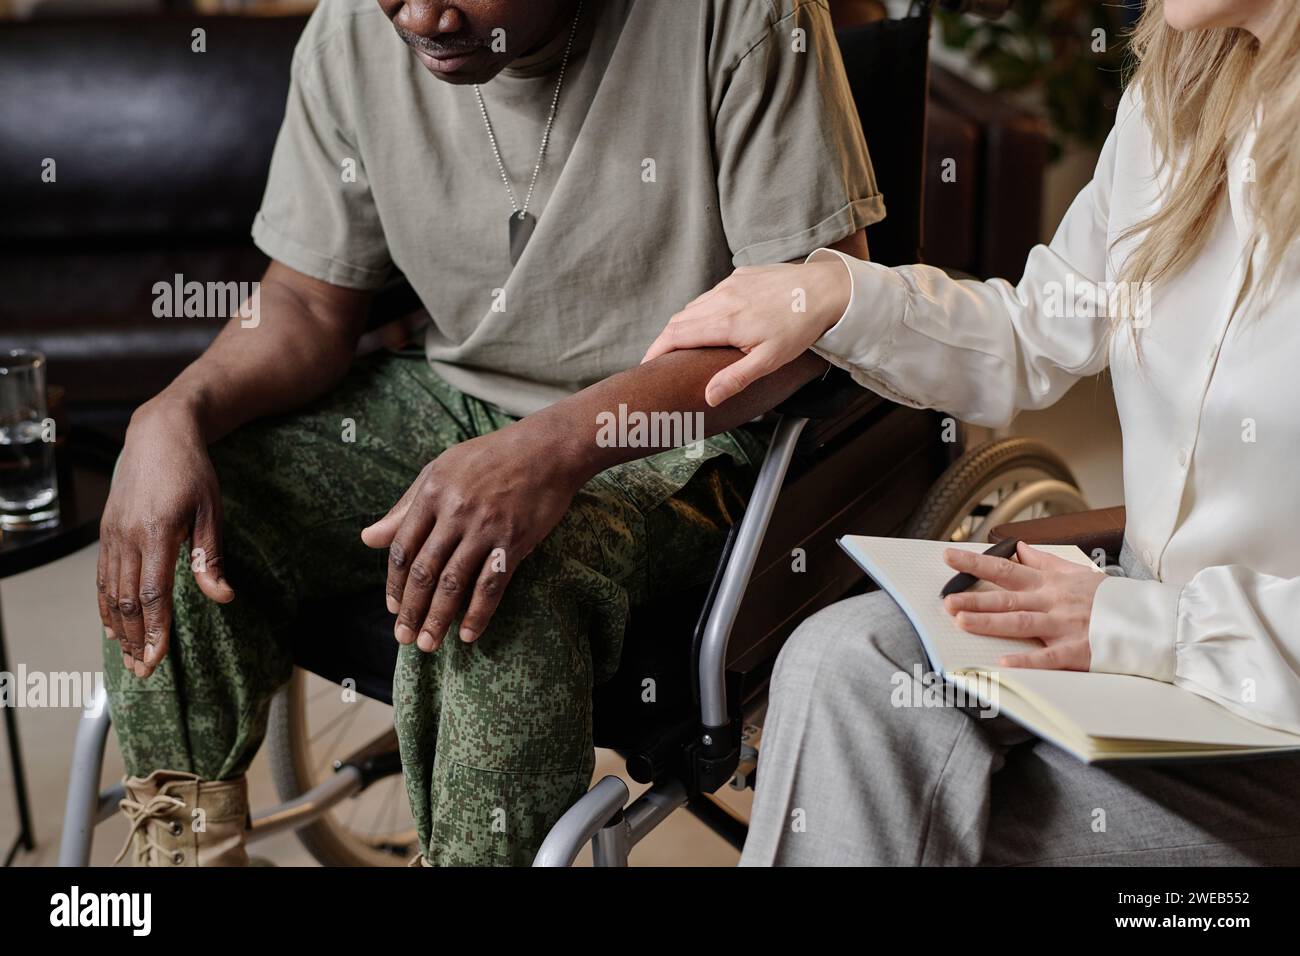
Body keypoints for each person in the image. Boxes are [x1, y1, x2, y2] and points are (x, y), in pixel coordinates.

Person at [99, 0, 883, 866]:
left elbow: (807, 320)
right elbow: (307, 301)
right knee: (194, 511)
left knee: (497, 581)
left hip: (687, 435)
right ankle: (185, 846)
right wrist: (173, 410)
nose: (423, 16)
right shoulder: (351, 31)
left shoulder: (741, 16)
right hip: (459, 400)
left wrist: (550, 449)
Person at [643, 0, 1300, 865]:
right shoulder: (1181, 95)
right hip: (1143, 660)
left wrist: (1140, 625)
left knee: (899, 814)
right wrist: (840, 295)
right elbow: (1041, 329)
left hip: (1267, 727)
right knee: (841, 662)